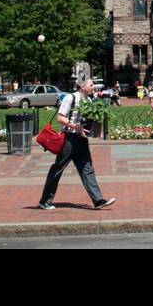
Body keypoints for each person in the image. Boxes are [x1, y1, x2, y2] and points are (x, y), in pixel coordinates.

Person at [38, 79, 116, 210]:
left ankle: (98, 200)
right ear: (82, 86)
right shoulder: (70, 98)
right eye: (91, 85)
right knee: (58, 169)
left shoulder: (89, 101)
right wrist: (75, 127)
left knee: (87, 168)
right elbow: (60, 118)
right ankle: (45, 200)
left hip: (81, 139)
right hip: (69, 139)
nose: (93, 87)